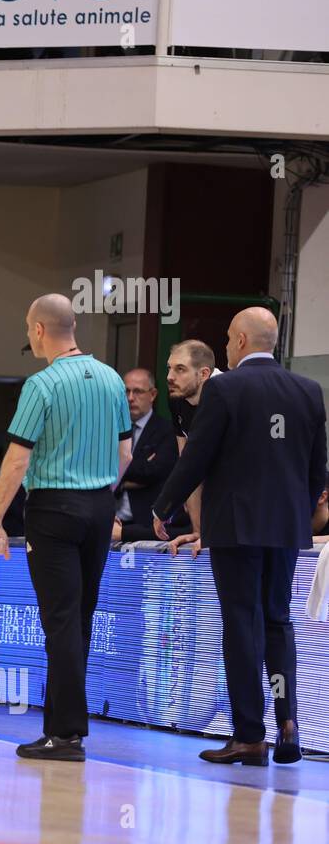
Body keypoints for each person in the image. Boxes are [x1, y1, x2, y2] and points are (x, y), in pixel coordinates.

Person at [152, 308, 327, 767]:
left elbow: (198, 459)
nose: (227, 346)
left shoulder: (225, 387)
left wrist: (164, 505)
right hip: (286, 528)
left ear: (244, 341)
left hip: (236, 526)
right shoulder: (308, 390)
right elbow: (317, 468)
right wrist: (300, 513)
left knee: (241, 626)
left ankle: (250, 735)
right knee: (277, 621)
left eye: (230, 338)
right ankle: (289, 722)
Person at [0, 294, 132, 762]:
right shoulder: (111, 378)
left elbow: (18, 456)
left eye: (29, 329)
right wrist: (99, 495)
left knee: (61, 621)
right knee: (80, 619)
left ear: (40, 330)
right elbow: (125, 452)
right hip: (99, 506)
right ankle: (67, 729)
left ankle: (65, 735)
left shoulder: (41, 385)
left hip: (54, 510)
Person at [164, 339, 221, 555]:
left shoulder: (228, 396)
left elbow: (236, 473)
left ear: (204, 374)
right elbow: (187, 464)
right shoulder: (177, 398)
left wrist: (215, 533)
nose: (170, 377)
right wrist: (200, 531)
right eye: (169, 368)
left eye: (180, 369)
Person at [112, 368, 179, 543]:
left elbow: (154, 472)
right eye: (126, 391)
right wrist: (131, 476)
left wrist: (118, 471)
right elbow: (97, 468)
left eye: (138, 391)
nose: (130, 398)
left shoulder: (168, 431)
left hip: (147, 522)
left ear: (153, 394)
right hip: (112, 519)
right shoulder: (110, 430)